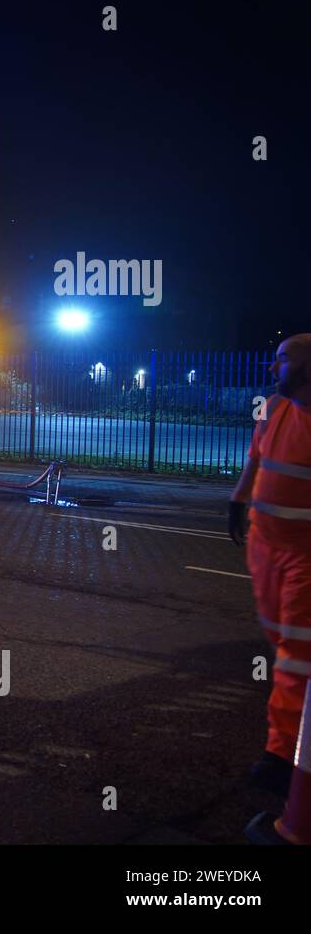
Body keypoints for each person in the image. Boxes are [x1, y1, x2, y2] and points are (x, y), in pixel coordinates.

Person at [230, 333, 311, 797]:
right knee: (282, 640)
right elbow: (256, 456)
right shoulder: (273, 409)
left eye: (282, 362)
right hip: (266, 544)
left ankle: (282, 754)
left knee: (296, 655)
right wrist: (238, 498)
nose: (273, 369)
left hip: (305, 555)